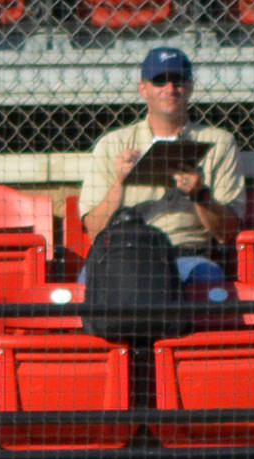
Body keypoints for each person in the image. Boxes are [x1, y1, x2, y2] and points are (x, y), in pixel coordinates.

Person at [77, 46, 244, 287]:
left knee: (207, 278)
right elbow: (94, 230)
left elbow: (226, 233)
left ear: (190, 87)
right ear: (143, 88)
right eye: (159, 81)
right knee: (87, 284)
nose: (169, 89)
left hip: (186, 256)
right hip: (125, 253)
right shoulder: (112, 144)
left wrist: (201, 195)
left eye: (177, 80)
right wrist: (120, 182)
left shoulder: (220, 142)